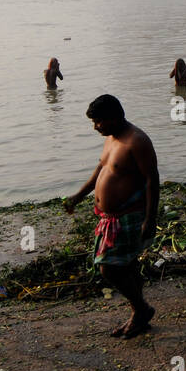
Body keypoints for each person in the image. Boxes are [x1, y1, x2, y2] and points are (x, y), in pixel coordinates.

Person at [64, 95, 160, 338]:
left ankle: (142, 310)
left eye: (99, 122)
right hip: (110, 218)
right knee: (126, 267)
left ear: (115, 117)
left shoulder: (137, 141)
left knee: (109, 268)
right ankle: (138, 315)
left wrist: (150, 219)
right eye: (94, 122)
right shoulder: (110, 139)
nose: (96, 127)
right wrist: (78, 196)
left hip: (129, 215)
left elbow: (152, 181)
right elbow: (100, 170)